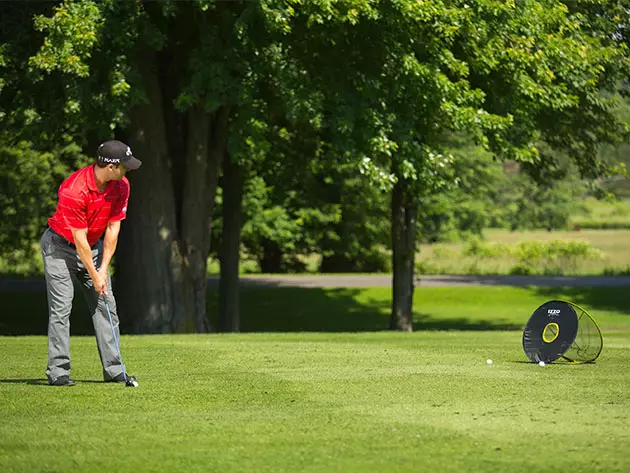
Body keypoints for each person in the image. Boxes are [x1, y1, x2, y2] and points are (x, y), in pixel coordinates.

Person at [41, 140, 142, 386]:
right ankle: (58, 372)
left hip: (94, 247)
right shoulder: (73, 189)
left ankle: (115, 369)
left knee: (106, 305)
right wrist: (94, 275)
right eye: (124, 166)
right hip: (60, 248)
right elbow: (79, 238)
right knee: (61, 309)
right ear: (110, 166)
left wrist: (103, 268)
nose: (127, 171)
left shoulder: (121, 186)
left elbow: (113, 229)